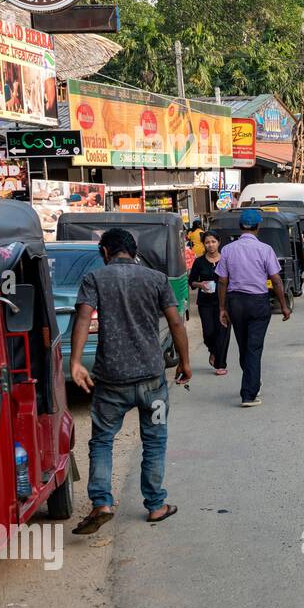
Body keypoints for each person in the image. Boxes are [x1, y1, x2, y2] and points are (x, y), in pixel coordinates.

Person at [69, 228, 191, 535]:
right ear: (133, 252)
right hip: (152, 380)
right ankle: (155, 505)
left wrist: (75, 362)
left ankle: (101, 503)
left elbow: (83, 318)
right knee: (155, 439)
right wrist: (185, 363)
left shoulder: (95, 279)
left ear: (107, 252)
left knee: (102, 441)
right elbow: (176, 321)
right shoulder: (156, 279)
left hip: (111, 381)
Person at [216, 208, 291, 407]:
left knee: (244, 346)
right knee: (254, 347)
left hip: (236, 303)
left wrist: (222, 308)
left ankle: (252, 380)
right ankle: (249, 394)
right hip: (258, 302)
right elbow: (276, 280)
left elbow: (222, 282)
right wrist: (284, 306)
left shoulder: (227, 250)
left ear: (240, 227)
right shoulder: (265, 249)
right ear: (258, 227)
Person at [188, 231, 231, 376]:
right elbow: (191, 281)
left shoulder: (226, 259)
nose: (210, 245)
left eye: (213, 241)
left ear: (218, 242)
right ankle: (212, 350)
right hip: (205, 303)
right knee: (208, 333)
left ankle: (220, 364)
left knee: (222, 333)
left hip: (224, 302)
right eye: (207, 242)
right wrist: (200, 285)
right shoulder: (199, 262)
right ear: (204, 244)